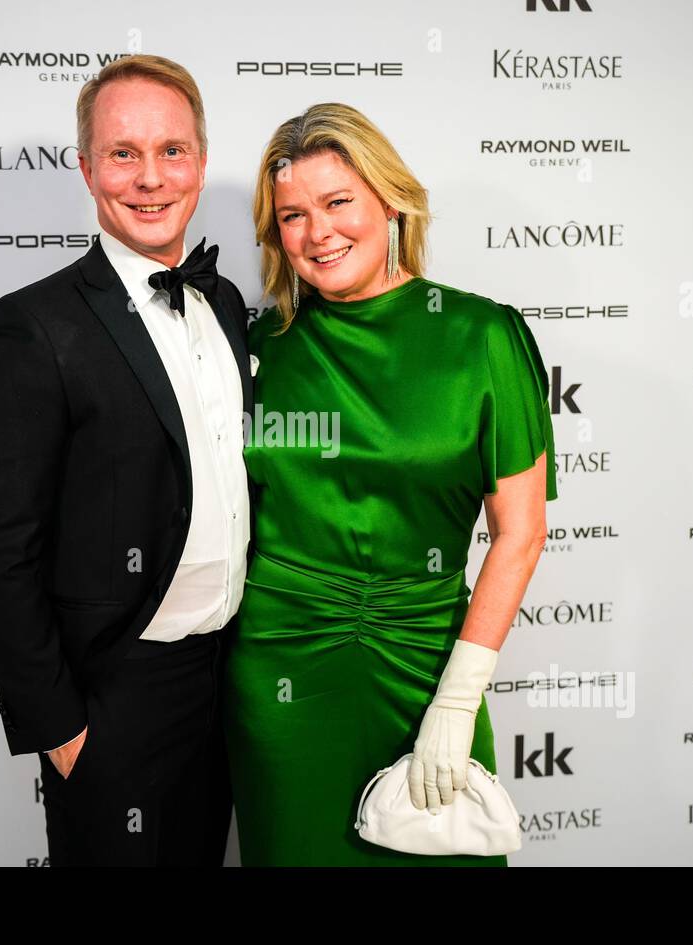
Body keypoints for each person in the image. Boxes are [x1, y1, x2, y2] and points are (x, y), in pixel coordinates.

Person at [224, 103, 558, 866]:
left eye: (339, 202)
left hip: (428, 665)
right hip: (281, 671)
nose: (318, 232)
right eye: (292, 216)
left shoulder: (482, 336)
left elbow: (522, 530)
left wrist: (458, 697)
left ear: (391, 200)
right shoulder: (256, 348)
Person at [0, 54, 252, 866]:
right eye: (123, 153)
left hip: (229, 679)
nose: (150, 178)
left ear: (200, 160)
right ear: (87, 168)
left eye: (172, 151)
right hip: (114, 698)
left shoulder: (224, 303)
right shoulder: (33, 328)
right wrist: (62, 729)